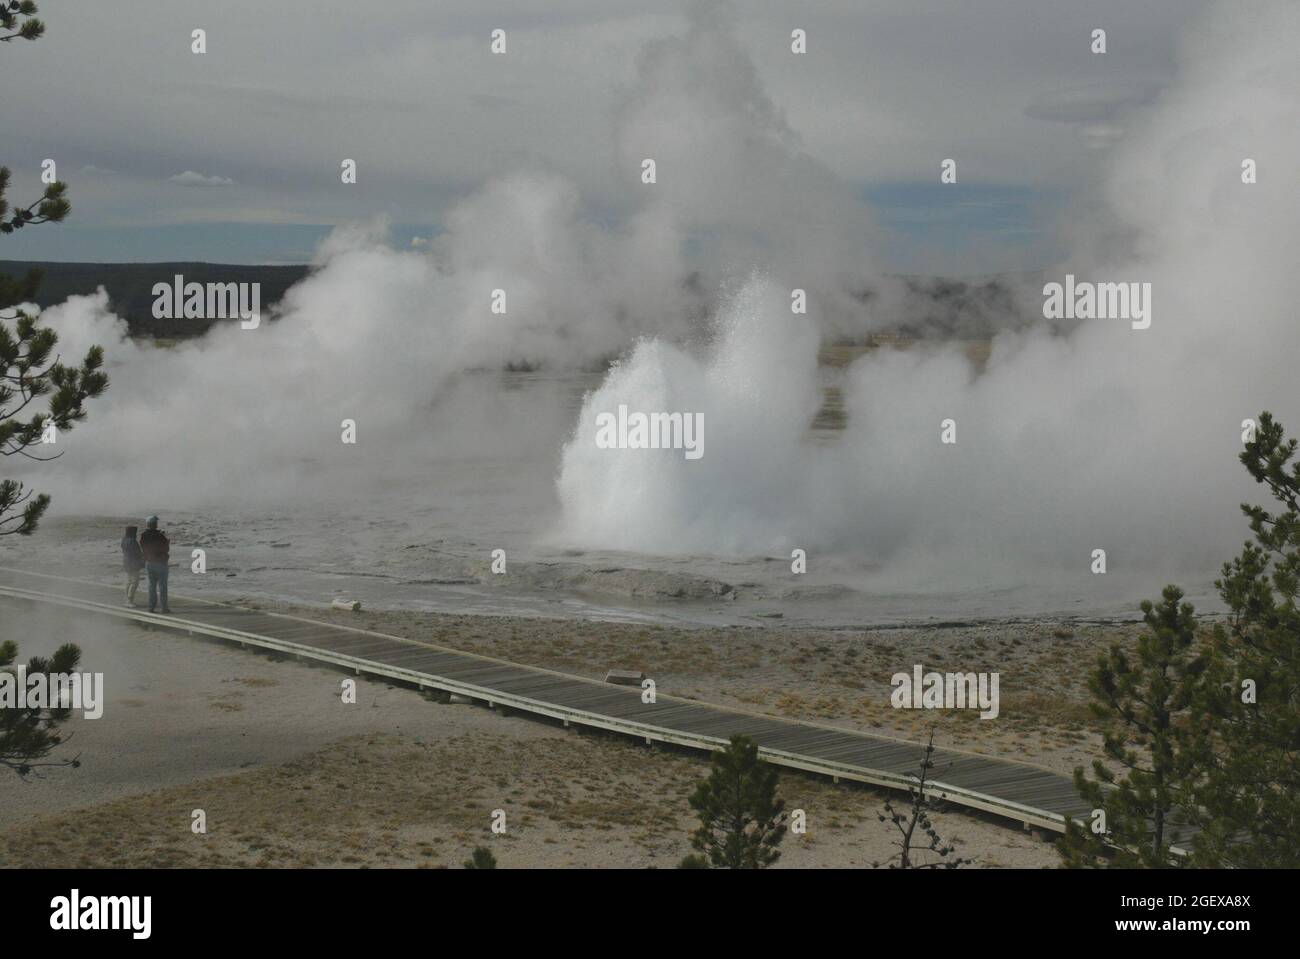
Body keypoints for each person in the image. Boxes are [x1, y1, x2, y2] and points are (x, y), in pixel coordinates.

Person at [139, 515, 172, 614]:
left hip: (149, 563)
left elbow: (143, 547)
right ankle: (164, 608)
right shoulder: (159, 536)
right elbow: (165, 549)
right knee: (162, 586)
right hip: (161, 563)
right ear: (154, 524)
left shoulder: (144, 535)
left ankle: (151, 607)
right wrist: (167, 541)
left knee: (151, 586)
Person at [120, 525, 145, 607]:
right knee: (134, 582)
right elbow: (137, 553)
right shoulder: (132, 541)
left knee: (129, 581)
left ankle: (127, 599)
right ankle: (129, 600)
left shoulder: (124, 539)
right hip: (133, 563)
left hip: (126, 562)